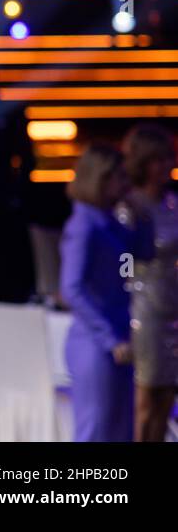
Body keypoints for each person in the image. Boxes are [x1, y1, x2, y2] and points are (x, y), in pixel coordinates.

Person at [60, 141, 152, 441]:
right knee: (95, 430)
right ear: (101, 178)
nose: (126, 184)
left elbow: (144, 250)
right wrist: (109, 338)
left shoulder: (108, 220)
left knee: (121, 430)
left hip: (117, 337)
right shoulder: (84, 224)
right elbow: (70, 288)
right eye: (120, 177)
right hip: (96, 344)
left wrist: (141, 208)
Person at [120, 123, 176, 442]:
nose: (168, 165)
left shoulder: (173, 203)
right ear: (143, 163)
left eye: (169, 157)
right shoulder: (129, 207)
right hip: (143, 313)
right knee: (144, 405)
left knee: (167, 399)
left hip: (174, 310)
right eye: (159, 159)